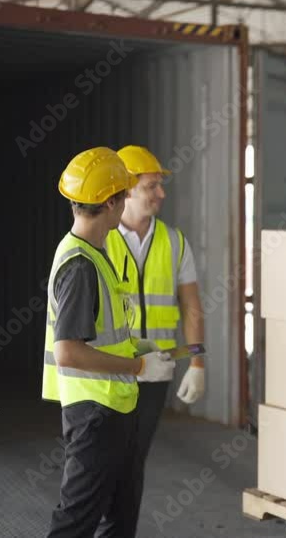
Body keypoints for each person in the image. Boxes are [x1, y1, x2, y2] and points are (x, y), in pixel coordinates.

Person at [44, 147, 175, 537]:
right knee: (77, 522)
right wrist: (138, 367)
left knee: (118, 517)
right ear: (112, 202)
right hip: (95, 415)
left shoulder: (95, 254)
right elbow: (68, 350)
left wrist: (139, 348)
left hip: (116, 410)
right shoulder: (81, 265)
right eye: (126, 193)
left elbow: (103, 334)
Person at [101, 145, 207, 528]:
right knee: (105, 462)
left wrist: (196, 361)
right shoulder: (101, 240)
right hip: (110, 372)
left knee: (133, 460)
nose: (161, 194)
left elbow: (192, 306)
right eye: (152, 186)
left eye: (160, 186)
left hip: (154, 374)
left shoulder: (175, 243)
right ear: (126, 189)